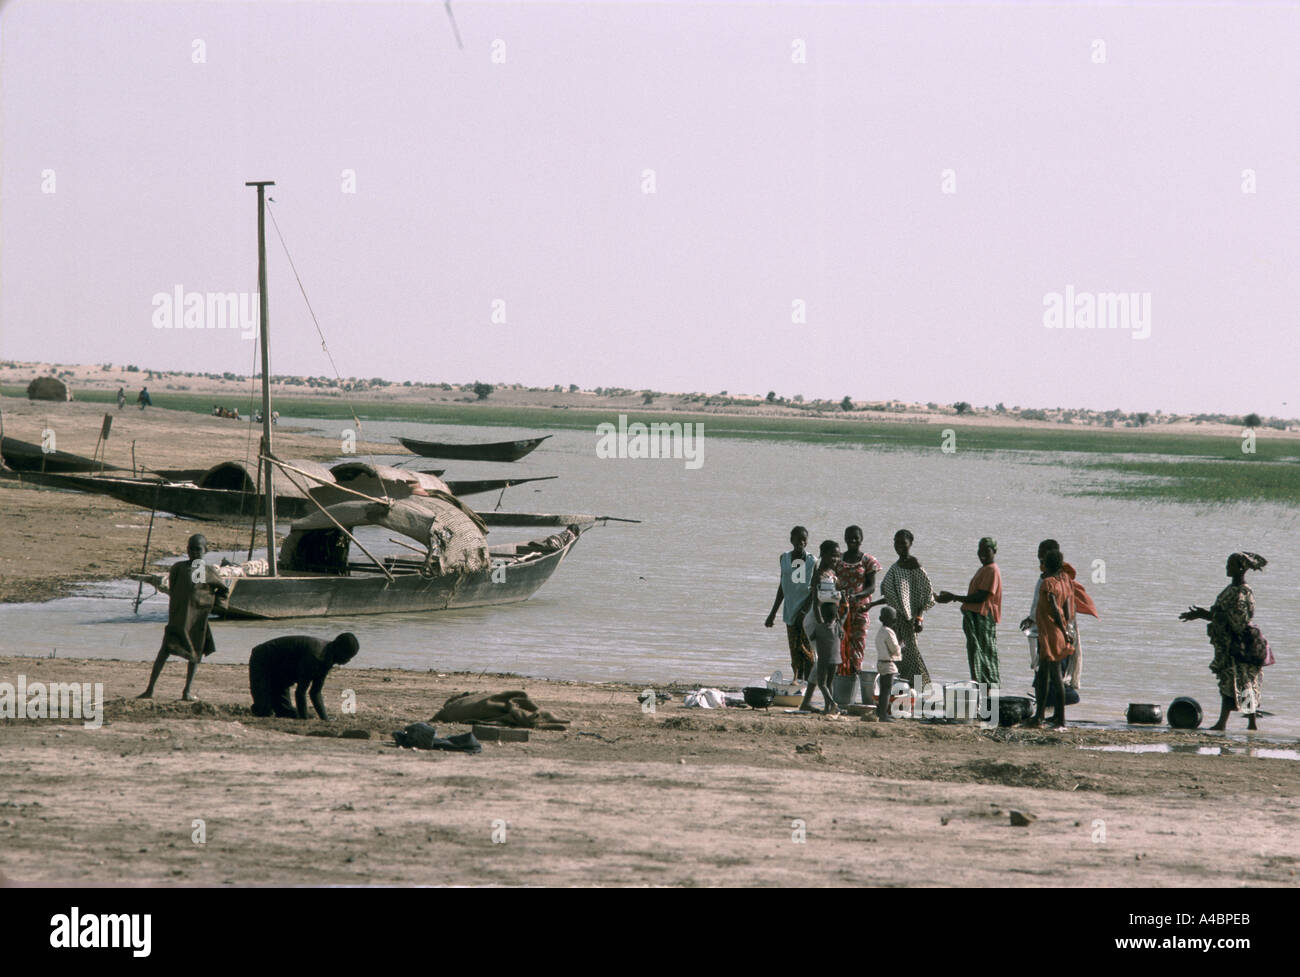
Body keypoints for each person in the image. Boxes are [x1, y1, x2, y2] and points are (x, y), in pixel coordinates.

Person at [1179, 552, 1269, 731]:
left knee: (1241, 682)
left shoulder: (1243, 591)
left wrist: (1203, 614)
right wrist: (1202, 614)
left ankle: (1241, 723)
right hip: (1230, 644)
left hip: (1239, 645)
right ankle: (1234, 723)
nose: (1227, 567)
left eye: (1231, 564)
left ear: (1241, 568)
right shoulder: (1233, 589)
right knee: (1232, 682)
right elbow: (1223, 615)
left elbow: (1237, 620)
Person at [137, 534, 228, 701]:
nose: (194, 552)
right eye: (191, 549)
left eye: (198, 549)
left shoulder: (204, 570)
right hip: (178, 619)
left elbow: (216, 590)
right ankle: (149, 689)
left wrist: (215, 607)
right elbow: (176, 590)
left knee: (195, 655)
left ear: (205, 551)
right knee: (164, 652)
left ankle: (186, 691)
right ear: (187, 550)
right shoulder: (178, 568)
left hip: (196, 621)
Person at [937, 536, 1002, 687]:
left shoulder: (992, 570)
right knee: (977, 657)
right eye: (980, 550)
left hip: (982, 618)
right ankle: (983, 697)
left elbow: (981, 596)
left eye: (987, 551)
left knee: (984, 658)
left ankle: (989, 699)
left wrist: (954, 597)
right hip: (975, 618)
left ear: (994, 551)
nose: (982, 554)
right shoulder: (985, 569)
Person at [249, 633, 360, 719]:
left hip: (281, 670)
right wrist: (304, 720)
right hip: (263, 659)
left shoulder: (327, 659)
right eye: (347, 656)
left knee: (286, 713)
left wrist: (325, 719)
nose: (348, 660)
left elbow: (315, 692)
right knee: (263, 711)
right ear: (338, 650)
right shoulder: (316, 656)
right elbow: (300, 692)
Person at [1024, 548, 1074, 729]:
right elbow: (1067, 609)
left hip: (1049, 634)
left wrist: (1059, 627)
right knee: (1048, 675)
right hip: (1058, 634)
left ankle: (1050, 719)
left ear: (1047, 565)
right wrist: (1066, 629)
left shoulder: (1048, 583)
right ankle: (1049, 717)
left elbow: (1053, 607)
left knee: (1051, 676)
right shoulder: (1065, 582)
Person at [880, 529, 936, 688]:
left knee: (912, 656)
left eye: (903, 544)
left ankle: (923, 688)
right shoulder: (895, 566)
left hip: (910, 621)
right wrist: (870, 605)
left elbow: (925, 594)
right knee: (896, 656)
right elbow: (890, 596)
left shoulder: (914, 564)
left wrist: (919, 618)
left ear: (910, 544)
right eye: (896, 543)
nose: (899, 547)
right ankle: (904, 689)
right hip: (894, 621)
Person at [765, 526, 817, 683]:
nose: (801, 542)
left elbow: (814, 589)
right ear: (791, 540)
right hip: (790, 612)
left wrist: (804, 611)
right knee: (794, 650)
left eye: (804, 539)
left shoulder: (811, 560)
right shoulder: (784, 558)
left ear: (807, 542)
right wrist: (773, 613)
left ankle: (807, 685)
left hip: (806, 613)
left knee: (807, 650)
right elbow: (783, 586)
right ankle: (798, 681)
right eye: (798, 539)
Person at [798, 540, 843, 715]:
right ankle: (828, 704)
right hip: (816, 622)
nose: (836, 558)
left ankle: (808, 702)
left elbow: (835, 601)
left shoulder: (832, 573)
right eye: (832, 555)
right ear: (822, 554)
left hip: (828, 622)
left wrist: (837, 622)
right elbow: (816, 604)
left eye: (838, 555)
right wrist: (821, 627)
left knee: (821, 661)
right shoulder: (818, 575)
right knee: (822, 660)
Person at [834, 525, 883, 685]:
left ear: (861, 539)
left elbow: (871, 587)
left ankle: (854, 682)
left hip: (861, 610)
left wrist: (856, 595)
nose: (852, 540)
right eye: (849, 537)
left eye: (856, 537)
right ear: (844, 538)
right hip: (839, 610)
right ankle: (840, 684)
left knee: (858, 645)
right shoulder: (838, 559)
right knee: (839, 645)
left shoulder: (868, 561)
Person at [874, 606, 902, 722]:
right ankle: (883, 715)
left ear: (881, 618)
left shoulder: (880, 631)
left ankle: (881, 712)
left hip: (881, 662)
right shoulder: (889, 632)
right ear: (894, 620)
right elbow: (895, 649)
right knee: (886, 691)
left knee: (883, 690)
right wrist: (901, 646)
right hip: (888, 664)